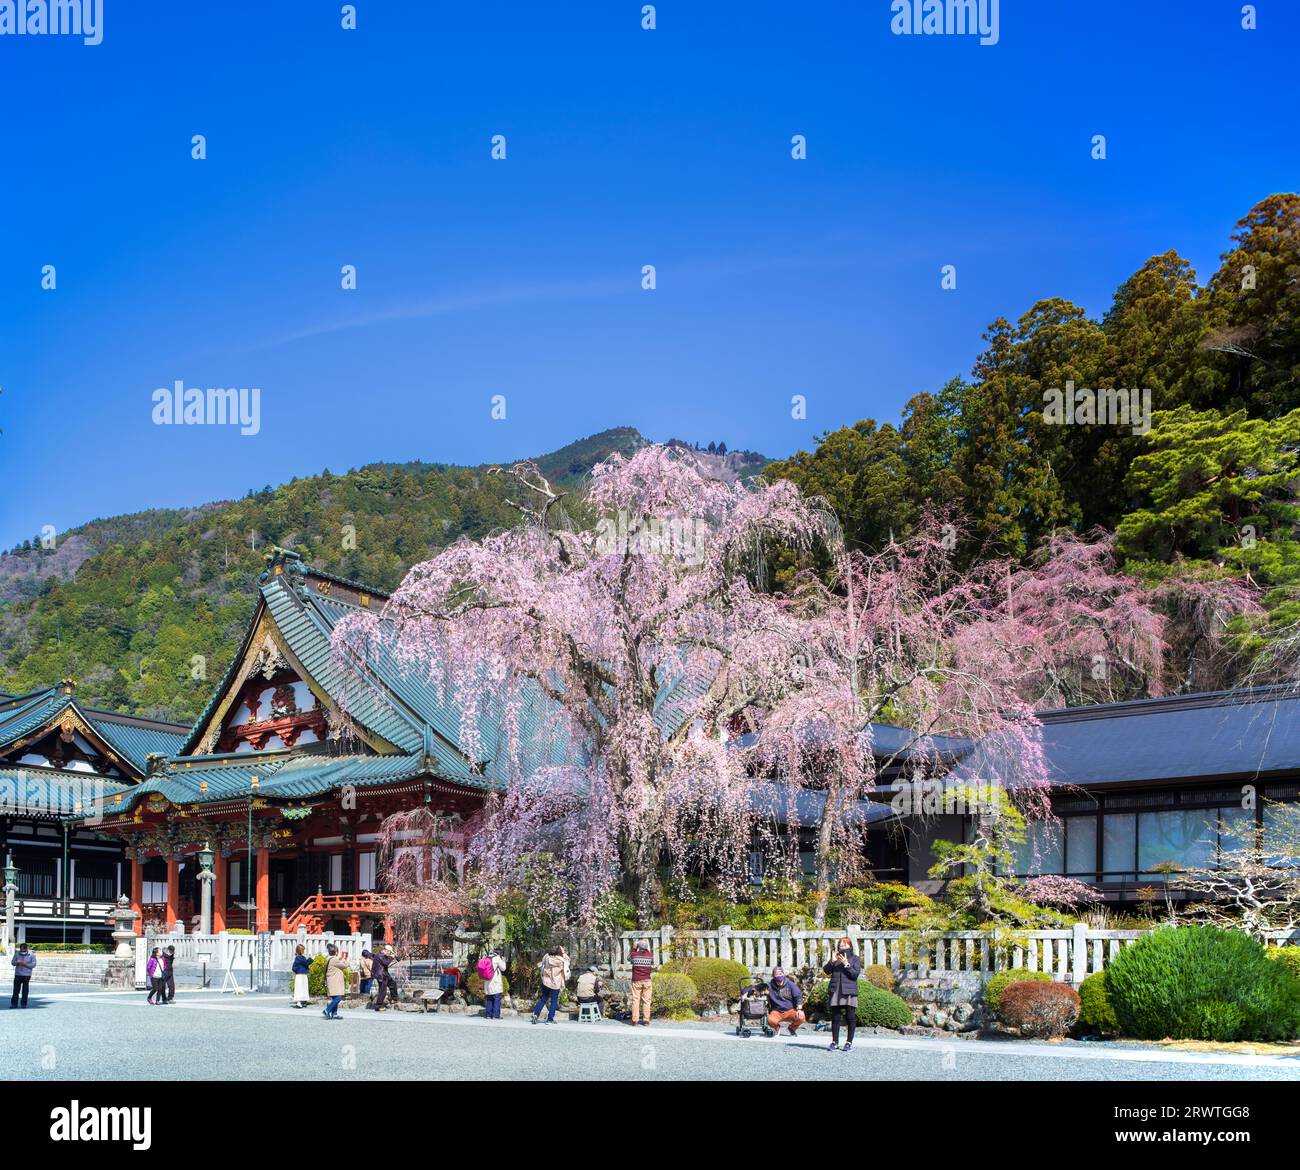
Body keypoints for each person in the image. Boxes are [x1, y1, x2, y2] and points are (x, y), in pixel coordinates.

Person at [823, 936, 863, 1051]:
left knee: (850, 1016)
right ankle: (834, 1042)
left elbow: (855, 974)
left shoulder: (855, 958)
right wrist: (832, 961)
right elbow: (826, 971)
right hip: (836, 990)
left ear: (850, 946)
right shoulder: (835, 958)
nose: (842, 947)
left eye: (845, 945)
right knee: (835, 1017)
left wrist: (846, 964)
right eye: (841, 945)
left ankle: (849, 1042)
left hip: (849, 991)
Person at [531, 944, 570, 1024]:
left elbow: (542, 964)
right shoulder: (562, 960)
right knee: (553, 1001)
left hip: (546, 981)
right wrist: (564, 954)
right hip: (555, 983)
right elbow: (567, 964)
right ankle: (550, 1019)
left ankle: (536, 1014)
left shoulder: (547, 957)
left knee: (543, 999)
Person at [765, 966, 805, 1037]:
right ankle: (777, 1028)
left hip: (790, 1010)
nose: (779, 975)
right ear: (773, 975)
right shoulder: (769, 986)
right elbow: (756, 988)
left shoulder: (790, 984)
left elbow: (798, 996)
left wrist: (799, 1009)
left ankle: (791, 1028)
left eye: (780, 973)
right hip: (777, 1011)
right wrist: (745, 993)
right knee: (770, 1020)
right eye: (776, 974)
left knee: (801, 1016)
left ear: (783, 974)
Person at [628, 937, 654, 1027]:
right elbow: (651, 959)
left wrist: (634, 947)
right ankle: (646, 1020)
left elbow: (628, 958)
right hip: (647, 980)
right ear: (647, 947)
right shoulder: (650, 955)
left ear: (639, 946)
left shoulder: (634, 955)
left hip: (636, 980)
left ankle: (635, 1020)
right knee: (647, 1001)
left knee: (636, 1000)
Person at [322, 944, 347, 1019]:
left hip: (331, 981)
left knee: (335, 997)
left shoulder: (328, 959)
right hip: (334, 981)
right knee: (338, 997)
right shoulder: (335, 960)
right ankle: (327, 1010)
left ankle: (334, 1014)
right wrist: (344, 959)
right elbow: (344, 965)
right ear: (336, 952)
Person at [481, 948, 507, 1020]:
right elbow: (503, 968)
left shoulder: (486, 957)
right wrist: (503, 961)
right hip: (495, 981)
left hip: (487, 981)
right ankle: (496, 1015)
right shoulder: (497, 958)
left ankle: (488, 1014)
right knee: (496, 998)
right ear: (498, 953)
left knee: (489, 998)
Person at [9, 942, 36, 1008]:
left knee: (25, 991)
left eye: (24, 950)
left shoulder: (31, 954)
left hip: (27, 975)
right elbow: (12, 962)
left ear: (27, 949)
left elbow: (33, 965)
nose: (22, 951)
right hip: (18, 974)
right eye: (21, 950)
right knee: (16, 990)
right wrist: (16, 963)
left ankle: (24, 1004)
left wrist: (25, 964)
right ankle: (14, 1004)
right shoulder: (17, 953)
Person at [373, 944, 398, 1011]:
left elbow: (386, 961)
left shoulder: (381, 955)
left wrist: (394, 958)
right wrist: (392, 957)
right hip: (381, 975)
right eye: (390, 952)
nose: (390, 954)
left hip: (384, 974)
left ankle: (394, 999)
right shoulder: (380, 955)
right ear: (386, 950)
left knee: (393, 984)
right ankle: (378, 1006)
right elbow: (386, 962)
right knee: (382, 991)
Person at [291, 944, 311, 1008]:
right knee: (301, 988)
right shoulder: (299, 958)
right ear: (300, 951)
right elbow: (306, 963)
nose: (303, 951)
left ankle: (302, 1001)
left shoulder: (300, 957)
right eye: (302, 950)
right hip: (300, 975)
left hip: (302, 974)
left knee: (302, 988)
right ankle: (299, 1002)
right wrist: (311, 959)